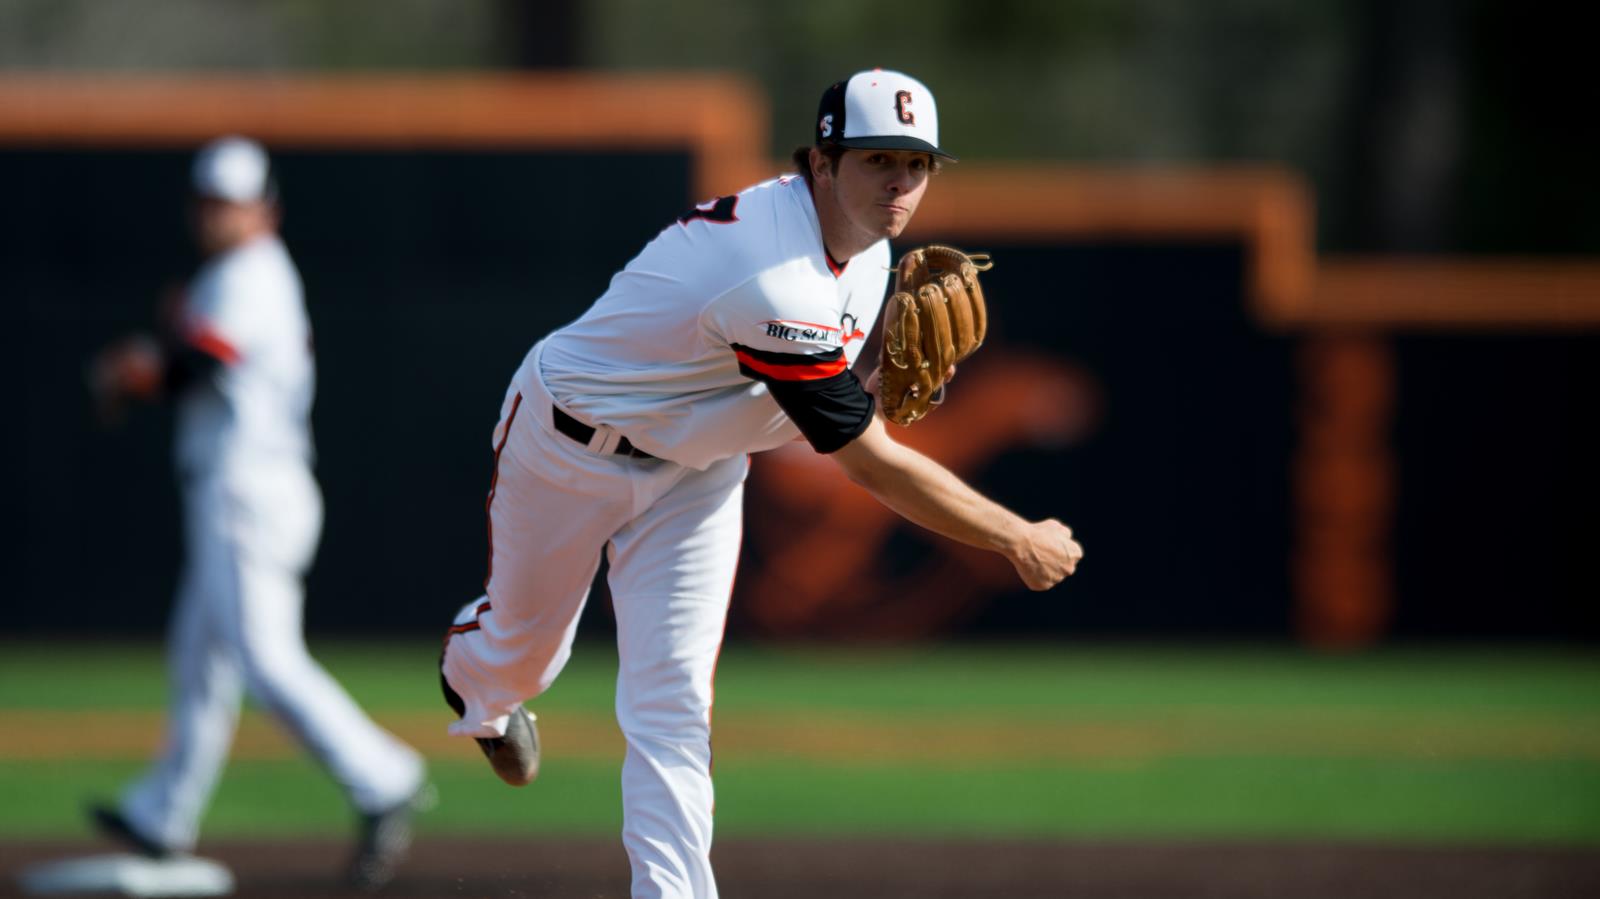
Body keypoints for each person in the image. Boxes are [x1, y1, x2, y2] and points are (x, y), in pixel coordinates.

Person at [439, 70, 1083, 898]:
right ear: (821, 162)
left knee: (673, 701)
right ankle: (478, 679)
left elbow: (803, 402)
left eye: (916, 164)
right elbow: (866, 460)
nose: (899, 182)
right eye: (877, 159)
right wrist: (1014, 535)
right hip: (571, 447)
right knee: (526, 653)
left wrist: (871, 383)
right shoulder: (771, 273)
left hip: (700, 468)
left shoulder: (871, 255)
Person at [86, 136, 428, 891]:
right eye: (209, 202)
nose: (218, 215)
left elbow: (198, 364)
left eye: (232, 203)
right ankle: (162, 813)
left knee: (265, 659)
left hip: (250, 490)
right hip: (233, 488)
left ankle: (384, 777)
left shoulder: (252, 273)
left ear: (265, 208)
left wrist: (137, 367)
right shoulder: (231, 274)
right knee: (198, 660)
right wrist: (161, 350)